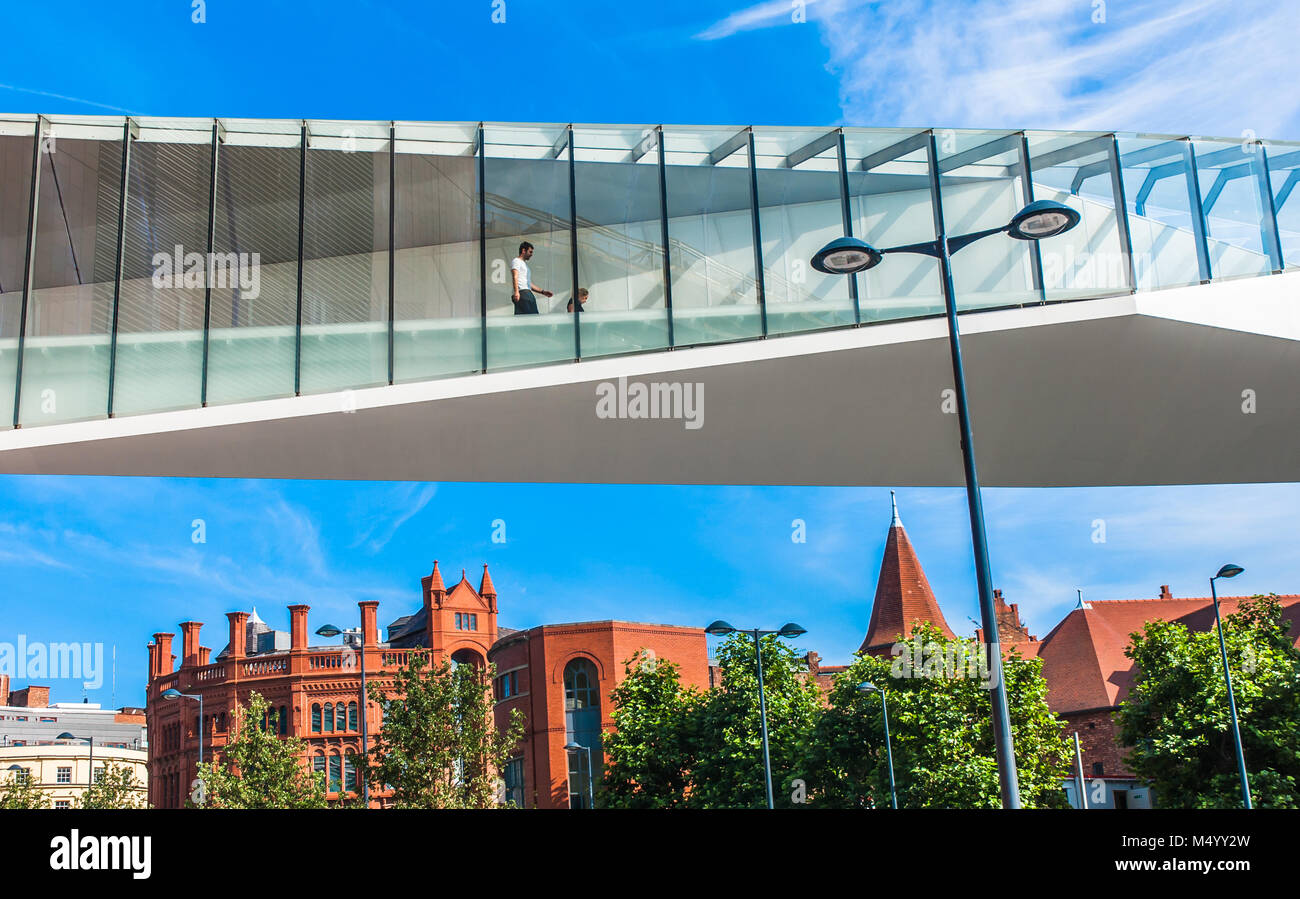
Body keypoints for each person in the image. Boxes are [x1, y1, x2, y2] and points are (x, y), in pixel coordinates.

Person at [511, 241, 552, 314]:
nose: (531, 254)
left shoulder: (524, 265)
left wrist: (543, 292)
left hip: (527, 293)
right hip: (523, 293)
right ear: (523, 251)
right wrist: (516, 292)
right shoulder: (516, 261)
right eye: (530, 252)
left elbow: (529, 283)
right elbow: (515, 276)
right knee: (530, 317)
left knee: (531, 317)